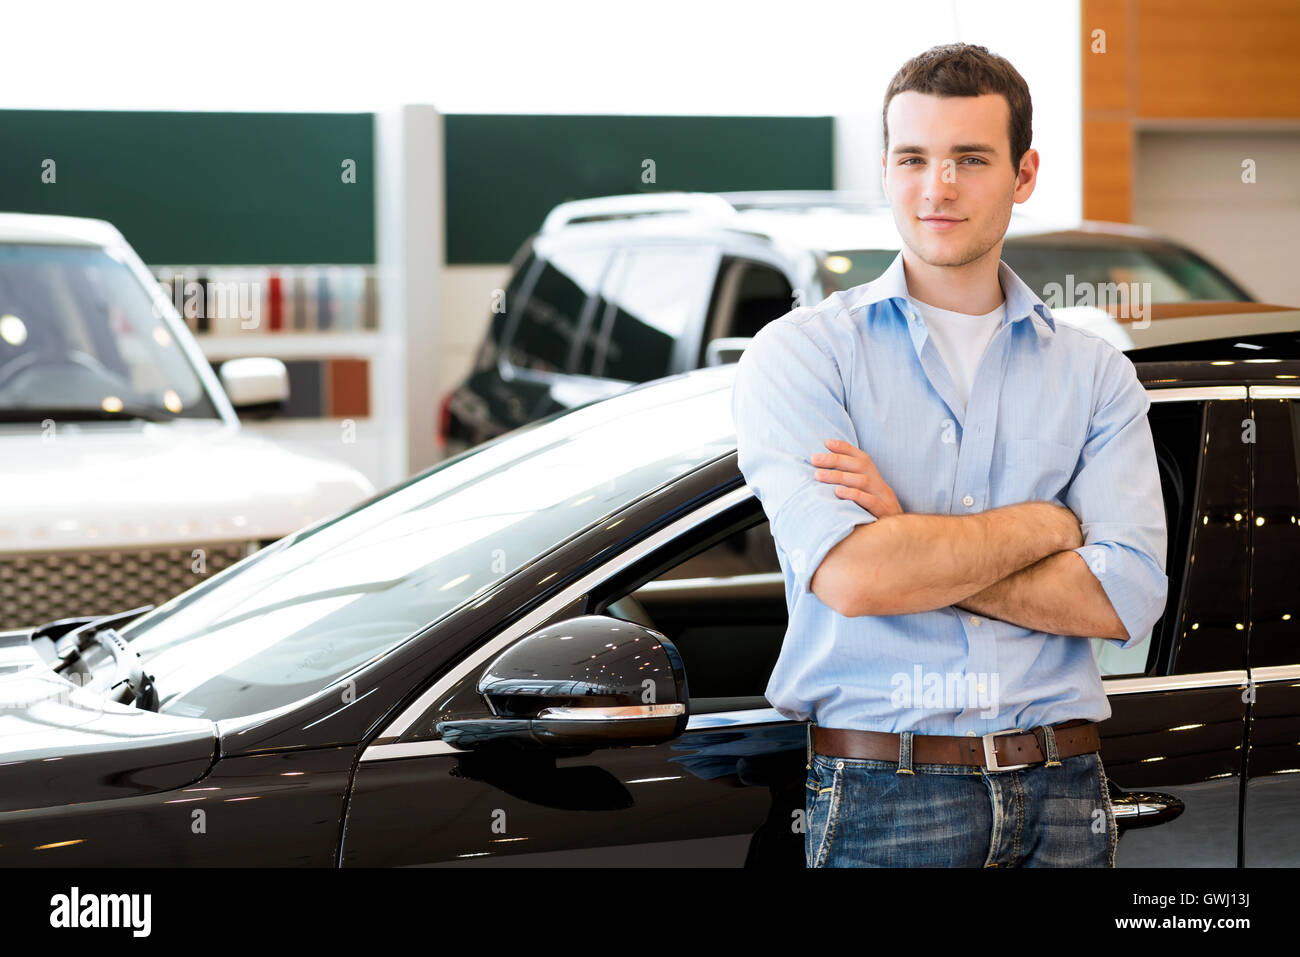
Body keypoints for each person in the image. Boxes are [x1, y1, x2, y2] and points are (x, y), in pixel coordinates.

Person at [730, 42, 1168, 867]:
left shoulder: (1095, 372)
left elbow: (1125, 599)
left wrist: (908, 532)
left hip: (1064, 789)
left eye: (970, 158)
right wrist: (1048, 524)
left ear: (1023, 173)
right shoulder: (803, 356)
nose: (939, 187)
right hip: (884, 790)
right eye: (913, 158)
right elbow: (858, 578)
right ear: (887, 170)